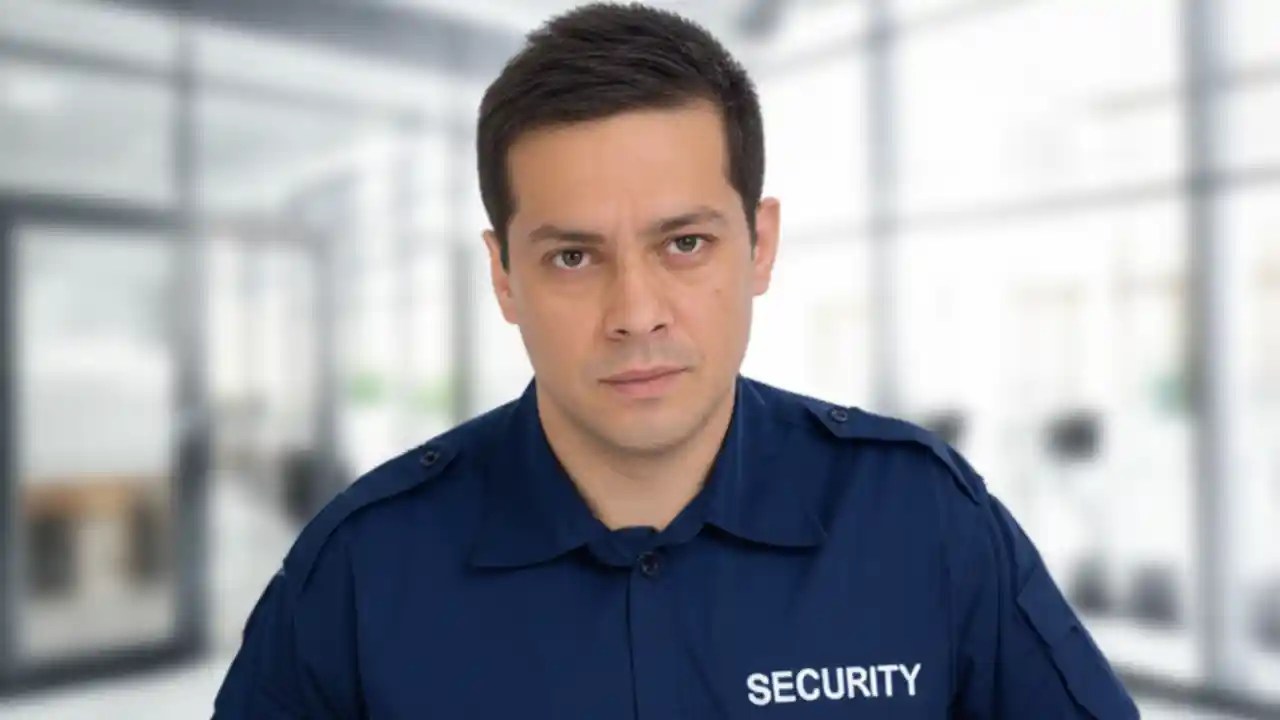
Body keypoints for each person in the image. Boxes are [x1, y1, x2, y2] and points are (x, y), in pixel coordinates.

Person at [213, 3, 1138, 717]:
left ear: (760, 244)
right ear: (503, 277)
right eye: (573, 257)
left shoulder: (922, 524)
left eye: (684, 244)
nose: (635, 314)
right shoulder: (362, 573)